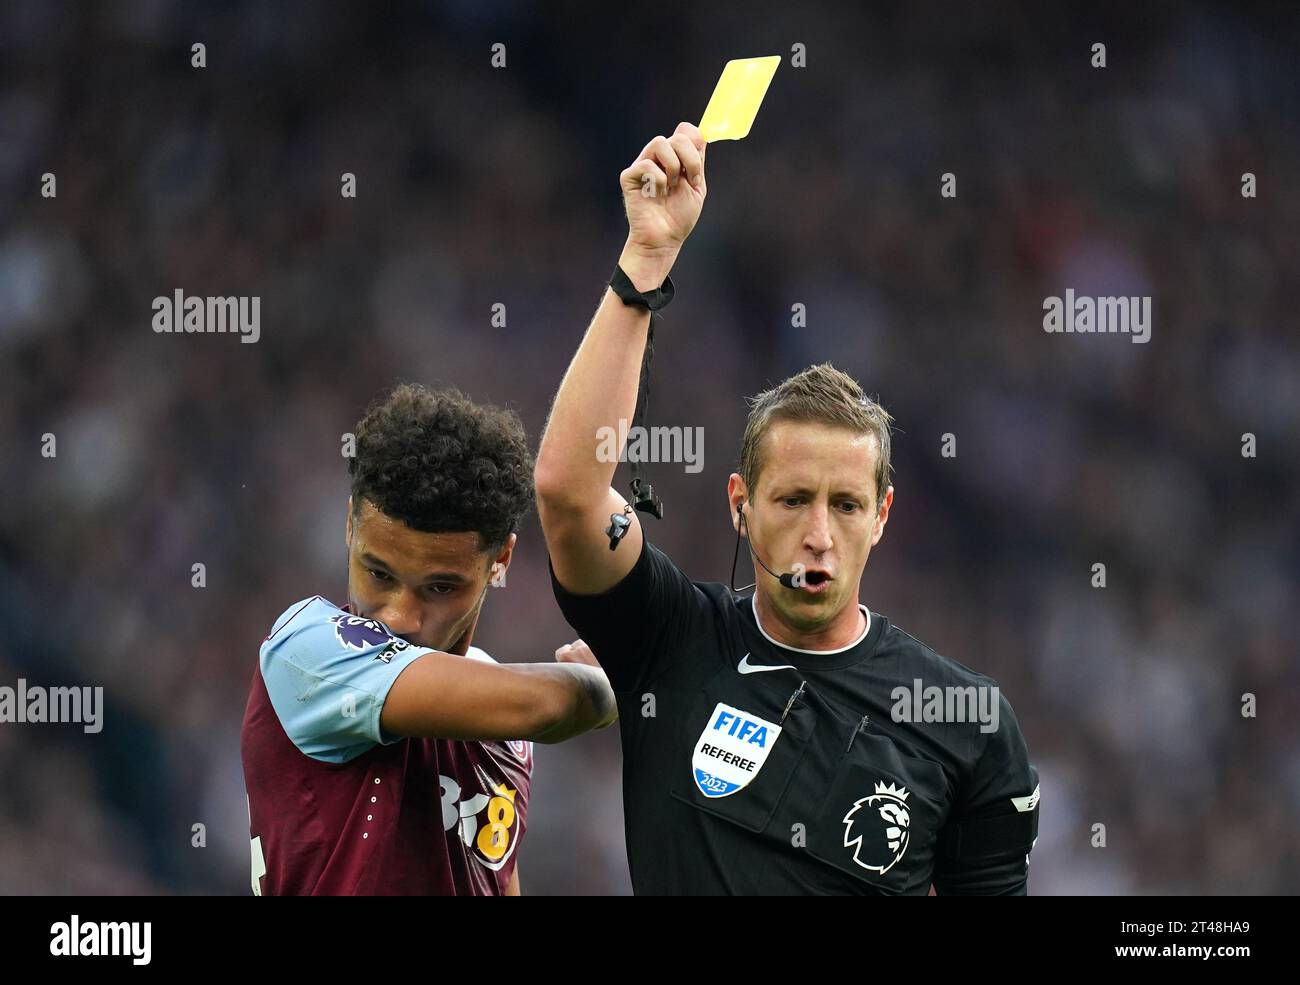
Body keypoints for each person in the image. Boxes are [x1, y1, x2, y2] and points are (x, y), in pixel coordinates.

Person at [534, 122, 1040, 894]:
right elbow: (569, 492)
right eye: (793, 498)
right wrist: (647, 258)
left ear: (882, 514)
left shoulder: (967, 722)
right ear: (740, 504)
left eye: (845, 504)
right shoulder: (669, 642)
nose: (818, 535)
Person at [241, 383, 617, 895]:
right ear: (350, 525)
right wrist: (609, 683)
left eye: (440, 587)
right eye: (379, 574)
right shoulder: (309, 653)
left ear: (500, 561)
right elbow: (551, 705)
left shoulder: (506, 731)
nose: (399, 617)